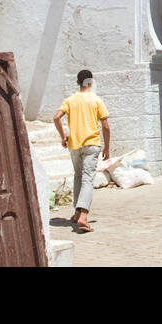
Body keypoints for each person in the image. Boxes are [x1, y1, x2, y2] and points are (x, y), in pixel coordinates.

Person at [53, 69, 110, 233]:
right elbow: (105, 126)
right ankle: (84, 216)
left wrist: (63, 136)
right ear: (90, 82)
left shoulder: (70, 100)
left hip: (74, 145)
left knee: (78, 176)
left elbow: (56, 117)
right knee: (87, 179)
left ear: (78, 83)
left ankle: (77, 212)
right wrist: (107, 146)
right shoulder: (96, 100)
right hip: (92, 144)